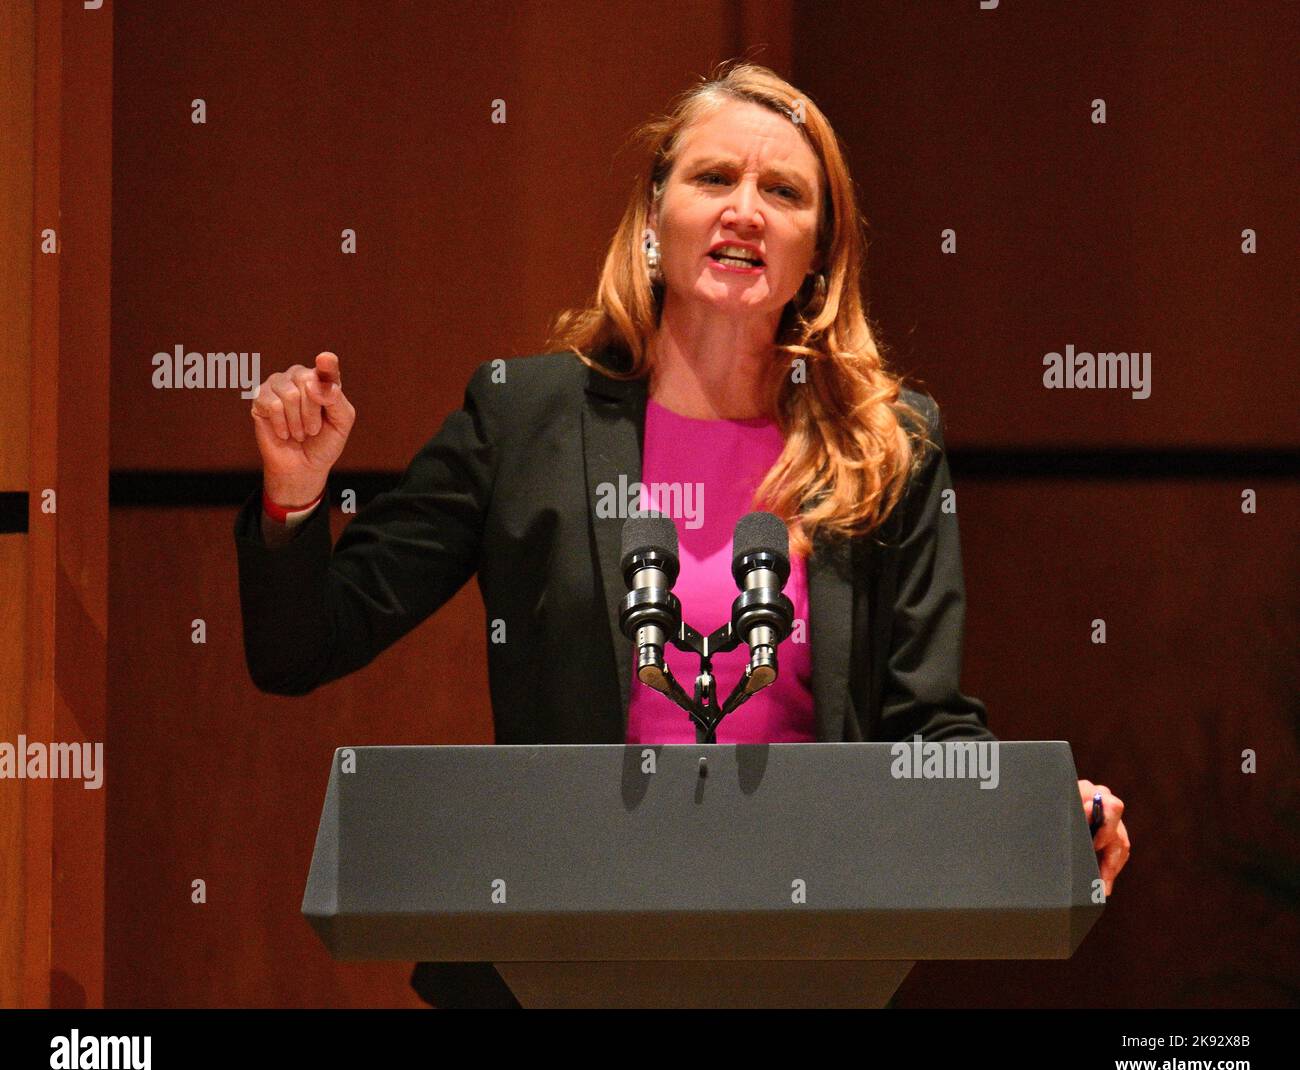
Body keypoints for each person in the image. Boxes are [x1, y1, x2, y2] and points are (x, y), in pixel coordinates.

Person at [234, 61, 1130, 1007]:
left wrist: (1033, 810)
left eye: (783, 191)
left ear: (816, 251)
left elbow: (923, 724)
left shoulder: (888, 444)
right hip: (557, 953)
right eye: (714, 179)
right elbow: (302, 644)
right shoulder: (525, 418)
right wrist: (294, 499)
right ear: (654, 218)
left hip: (807, 952)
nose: (745, 208)